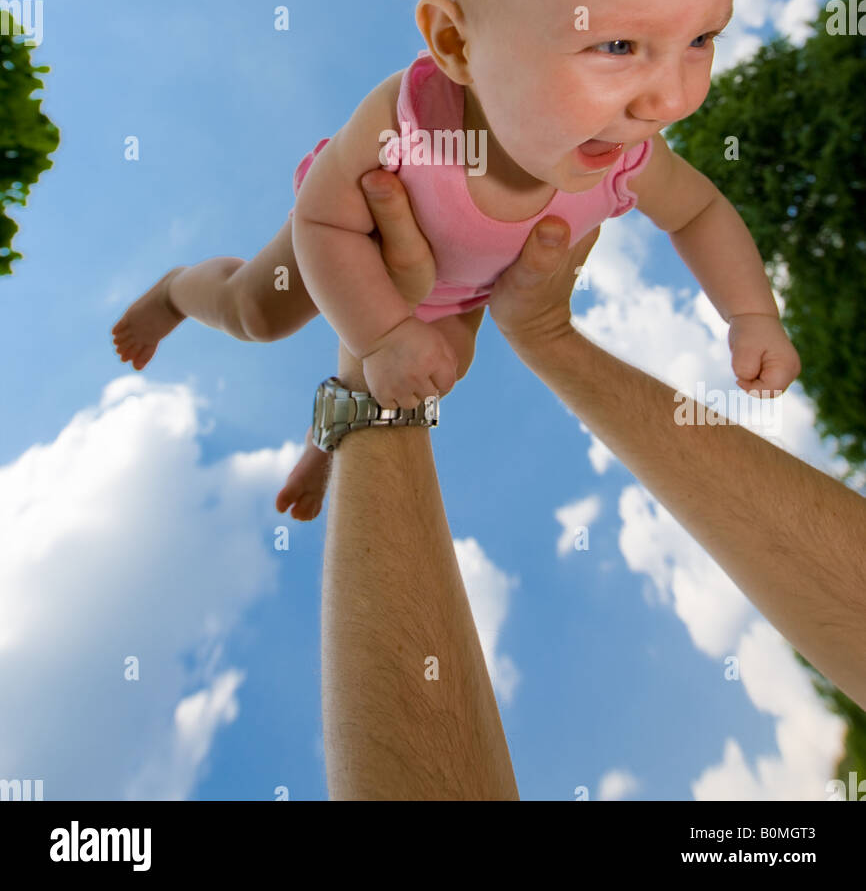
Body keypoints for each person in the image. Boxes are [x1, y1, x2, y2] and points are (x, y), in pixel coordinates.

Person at [112, 0, 800, 527]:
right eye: (617, 45)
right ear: (455, 42)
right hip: (348, 249)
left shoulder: (632, 155)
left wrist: (749, 312)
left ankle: (326, 442)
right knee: (258, 315)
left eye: (702, 38)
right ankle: (179, 291)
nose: (671, 99)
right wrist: (382, 331)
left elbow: (698, 211)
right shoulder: (408, 123)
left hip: (453, 299)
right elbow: (324, 226)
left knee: (429, 378)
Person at [305, 168, 866, 801]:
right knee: (242, 303)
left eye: (694, 58)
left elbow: (696, 207)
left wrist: (373, 352)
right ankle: (170, 301)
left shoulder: (625, 157)